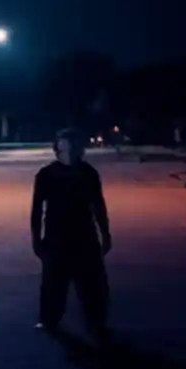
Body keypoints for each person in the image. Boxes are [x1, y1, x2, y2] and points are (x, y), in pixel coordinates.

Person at [30, 128, 112, 340]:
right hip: (56, 237)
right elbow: (37, 210)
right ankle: (48, 319)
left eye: (76, 143)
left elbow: (98, 205)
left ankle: (96, 322)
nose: (72, 147)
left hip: (85, 236)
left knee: (92, 284)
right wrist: (36, 239)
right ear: (58, 147)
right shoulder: (46, 175)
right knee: (52, 283)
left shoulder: (88, 173)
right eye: (67, 143)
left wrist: (105, 232)